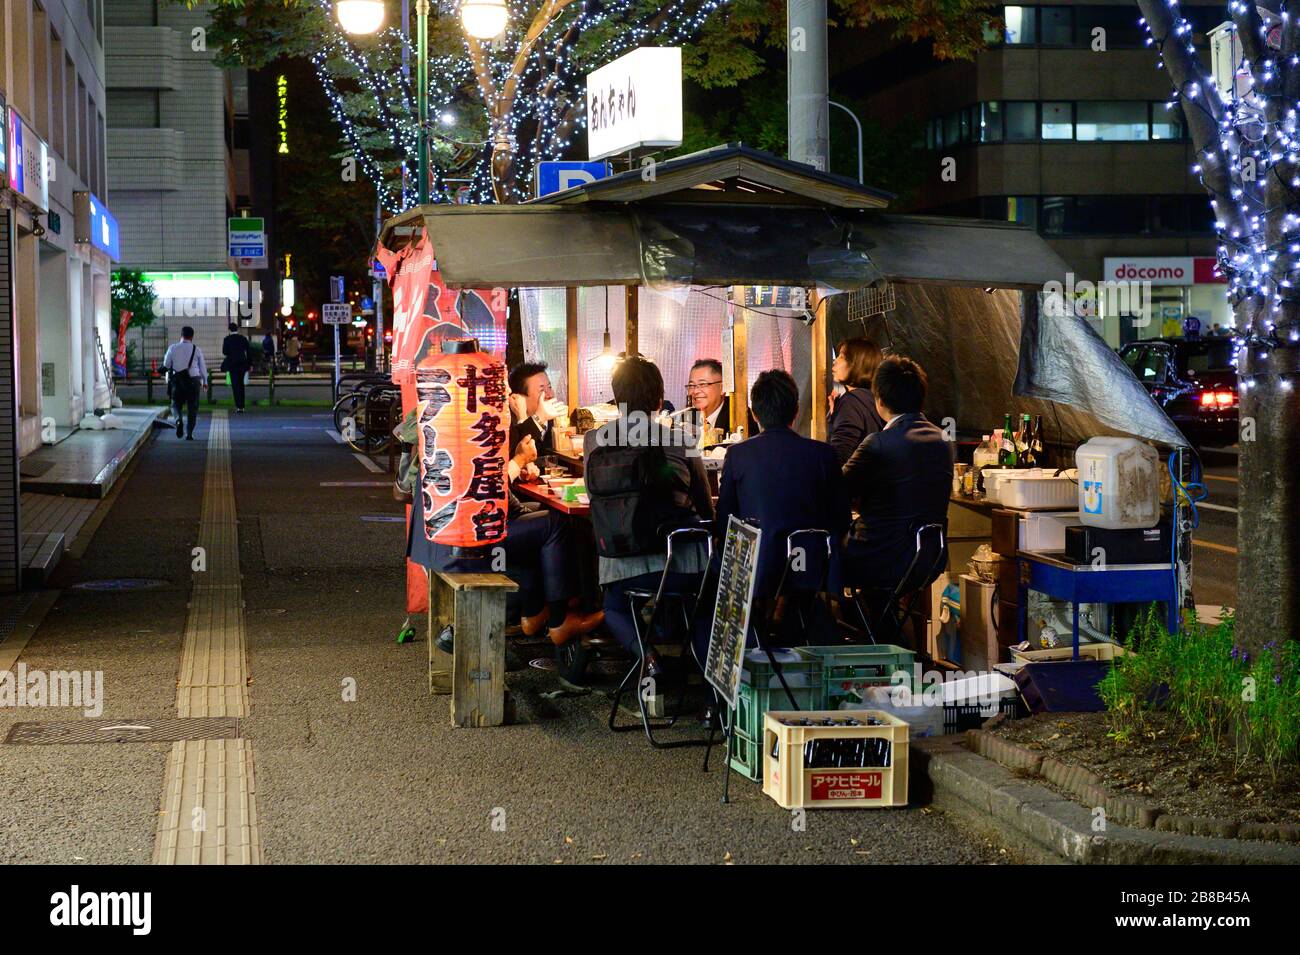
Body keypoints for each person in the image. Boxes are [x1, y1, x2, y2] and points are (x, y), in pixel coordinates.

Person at [693, 370, 850, 660]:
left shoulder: (739, 455)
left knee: (708, 591)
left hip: (758, 569)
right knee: (802, 600)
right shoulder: (824, 455)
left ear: (754, 414)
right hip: (814, 570)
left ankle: (728, 671)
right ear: (796, 411)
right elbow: (841, 519)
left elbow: (726, 520)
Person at [585, 356, 715, 675]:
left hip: (620, 563)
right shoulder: (681, 441)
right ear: (659, 400)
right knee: (702, 606)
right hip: (680, 564)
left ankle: (648, 657)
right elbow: (706, 508)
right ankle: (710, 690)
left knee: (614, 608)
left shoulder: (593, 441)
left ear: (616, 399)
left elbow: (594, 497)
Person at [840, 355, 952, 590]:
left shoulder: (878, 443)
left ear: (878, 399)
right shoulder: (943, 440)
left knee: (817, 551)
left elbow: (837, 492)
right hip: (927, 560)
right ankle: (882, 626)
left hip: (877, 556)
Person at [826, 337, 886, 464]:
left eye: (841, 357)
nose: (835, 361)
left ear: (857, 364)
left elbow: (839, 457)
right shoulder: (875, 399)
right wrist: (834, 415)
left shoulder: (851, 402)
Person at [508, 361, 564, 457]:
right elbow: (518, 460)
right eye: (542, 390)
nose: (550, 395)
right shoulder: (508, 427)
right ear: (520, 397)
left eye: (549, 387)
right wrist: (523, 417)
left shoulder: (558, 423)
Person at [162, 326, 208, 441]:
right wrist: (205, 381)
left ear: (181, 335)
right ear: (192, 336)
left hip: (177, 380)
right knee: (193, 407)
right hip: (193, 380)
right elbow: (202, 367)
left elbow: (166, 365)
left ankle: (178, 420)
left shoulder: (172, 348)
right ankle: (189, 434)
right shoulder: (196, 349)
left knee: (175, 404)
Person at [221, 322, 252, 413]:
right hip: (242, 364)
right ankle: (242, 406)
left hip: (232, 365)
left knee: (235, 385)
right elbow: (248, 352)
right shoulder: (243, 338)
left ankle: (238, 406)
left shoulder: (227, 339)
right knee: (241, 385)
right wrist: (250, 364)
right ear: (237, 329)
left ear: (229, 330)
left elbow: (225, 352)